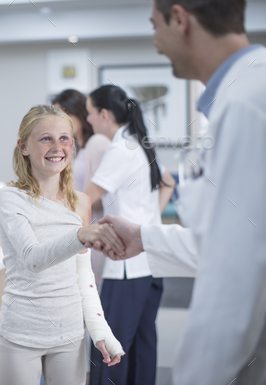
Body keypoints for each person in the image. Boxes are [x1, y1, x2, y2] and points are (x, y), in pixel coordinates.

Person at [93, 0, 266, 384]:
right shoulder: (258, 96)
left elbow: (234, 281)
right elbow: (227, 243)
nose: (156, 42)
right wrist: (144, 237)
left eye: (154, 26)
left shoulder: (249, 107)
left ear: (180, 20)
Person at [0, 105, 125, 385]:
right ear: (24, 146)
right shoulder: (9, 198)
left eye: (64, 138)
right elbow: (33, 259)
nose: (57, 147)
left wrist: (101, 331)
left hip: (69, 332)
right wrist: (80, 235)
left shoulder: (80, 202)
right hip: (21, 332)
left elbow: (82, 275)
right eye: (46, 138)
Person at [82, 85, 175, 385]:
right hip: (149, 262)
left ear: (105, 115)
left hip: (127, 267)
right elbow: (166, 183)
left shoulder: (120, 150)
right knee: (142, 344)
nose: (88, 119)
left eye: (90, 113)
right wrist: (149, 222)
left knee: (111, 348)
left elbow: (87, 198)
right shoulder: (137, 143)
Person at [52, 89, 112, 288]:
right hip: (78, 227)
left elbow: (103, 194)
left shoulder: (98, 144)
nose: (60, 121)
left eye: (65, 114)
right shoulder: (78, 149)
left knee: (94, 294)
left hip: (93, 226)